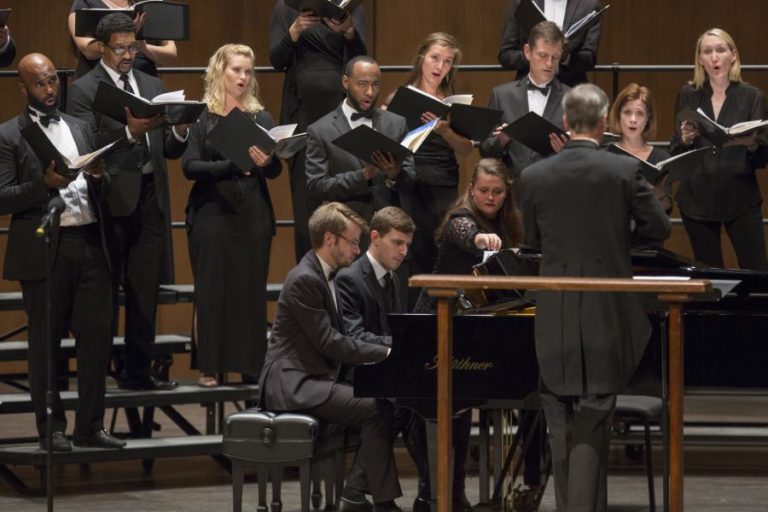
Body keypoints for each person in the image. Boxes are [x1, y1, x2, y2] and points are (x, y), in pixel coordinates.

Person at [520, 84, 670, 512]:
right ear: (605, 122)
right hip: (607, 311)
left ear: (566, 122)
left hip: (554, 313)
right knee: (593, 415)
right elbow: (659, 228)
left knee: (560, 419)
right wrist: (617, 238)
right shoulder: (623, 171)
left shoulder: (533, 176)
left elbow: (532, 240)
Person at [0, 53, 125, 450]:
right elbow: (3, 198)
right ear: (23, 87)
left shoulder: (80, 125)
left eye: (53, 80)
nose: (49, 89)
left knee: (97, 340)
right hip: (46, 249)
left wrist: (101, 177)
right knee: (46, 345)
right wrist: (45, 184)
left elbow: (103, 187)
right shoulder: (9, 135)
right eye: (39, 83)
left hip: (90, 242)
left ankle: (91, 426)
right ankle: (51, 429)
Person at [66, 13, 189, 390]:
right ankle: (98, 376)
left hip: (151, 197)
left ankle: (138, 372)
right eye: (119, 48)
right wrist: (130, 134)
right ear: (102, 48)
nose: (127, 55)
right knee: (104, 294)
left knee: (144, 290)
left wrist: (180, 131)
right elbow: (84, 145)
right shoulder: (84, 88)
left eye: (132, 47)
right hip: (109, 199)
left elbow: (168, 148)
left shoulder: (152, 83)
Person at [259, 202, 403, 512]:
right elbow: (329, 342)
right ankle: (376, 501)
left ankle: (360, 495)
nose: (357, 249)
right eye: (352, 242)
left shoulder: (325, 275)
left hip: (314, 377)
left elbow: (340, 339)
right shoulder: (305, 279)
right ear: (329, 239)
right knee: (376, 408)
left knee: (388, 400)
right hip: (294, 383)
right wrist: (387, 352)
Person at [415, 158, 523, 512]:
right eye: (484, 191)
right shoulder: (460, 219)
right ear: (471, 190)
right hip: (435, 323)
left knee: (460, 413)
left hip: (468, 325)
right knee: (439, 412)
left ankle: (455, 494)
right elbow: (465, 233)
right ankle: (433, 494)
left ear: (507, 192)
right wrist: (480, 238)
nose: (490, 197)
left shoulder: (508, 222)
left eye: (498, 192)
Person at [181, 44, 282, 387]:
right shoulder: (203, 116)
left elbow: (274, 171)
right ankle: (209, 366)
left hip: (253, 213)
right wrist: (231, 165)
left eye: (248, 71)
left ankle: (249, 364)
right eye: (236, 70)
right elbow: (189, 166)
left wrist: (268, 162)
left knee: (250, 292)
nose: (242, 77)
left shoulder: (260, 118)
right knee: (211, 291)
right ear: (220, 71)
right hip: (211, 214)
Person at [335, 207, 430, 512]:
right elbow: (354, 337)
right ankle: (380, 500)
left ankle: (429, 492)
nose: (404, 252)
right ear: (375, 237)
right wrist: (402, 345)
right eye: (397, 243)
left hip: (383, 371)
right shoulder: (349, 278)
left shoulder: (394, 278)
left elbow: (393, 329)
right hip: (355, 375)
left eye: (407, 245)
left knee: (421, 405)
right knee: (393, 407)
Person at [269, 0, 367, 262]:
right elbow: (276, 60)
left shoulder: (351, 8)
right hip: (302, 115)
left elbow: (361, 58)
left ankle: (348, 274)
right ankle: (309, 274)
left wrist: (349, 31)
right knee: (306, 205)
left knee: (346, 201)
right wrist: (294, 31)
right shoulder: (286, 8)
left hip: (341, 117)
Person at [384, 33, 472, 305]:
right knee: (413, 251)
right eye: (435, 58)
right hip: (411, 182)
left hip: (445, 183)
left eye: (447, 61)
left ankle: (440, 318)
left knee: (442, 250)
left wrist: (445, 130)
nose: (440, 66)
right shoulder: (399, 97)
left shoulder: (453, 102)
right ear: (422, 57)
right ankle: (413, 316)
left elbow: (466, 148)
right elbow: (388, 139)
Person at [670, 28, 768, 270]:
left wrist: (752, 145)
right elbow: (676, 150)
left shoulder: (753, 97)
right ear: (700, 59)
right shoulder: (688, 95)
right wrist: (686, 140)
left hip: (741, 196)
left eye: (720, 50)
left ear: (733, 55)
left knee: (756, 271)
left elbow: (762, 159)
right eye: (707, 51)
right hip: (697, 198)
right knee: (710, 276)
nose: (714, 57)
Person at [305, 55, 416, 233]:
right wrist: (363, 176)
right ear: (346, 82)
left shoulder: (396, 123)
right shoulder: (320, 130)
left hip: (390, 230)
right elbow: (316, 186)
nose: (370, 92)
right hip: (345, 230)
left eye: (375, 84)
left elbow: (410, 178)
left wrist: (394, 175)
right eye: (362, 84)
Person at [481, 20, 570, 202]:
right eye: (542, 55)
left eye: (555, 57)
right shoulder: (502, 95)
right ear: (528, 52)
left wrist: (566, 151)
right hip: (513, 194)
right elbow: (485, 150)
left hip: (556, 193)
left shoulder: (573, 98)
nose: (549, 63)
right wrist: (501, 140)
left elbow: (584, 155)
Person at [497, 0, 603, 87]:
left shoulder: (590, 6)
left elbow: (589, 58)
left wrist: (566, 58)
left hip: (571, 92)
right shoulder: (521, 2)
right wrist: (536, 56)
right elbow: (506, 55)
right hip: (527, 89)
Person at [68, 0, 178, 78]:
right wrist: (126, 34)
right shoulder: (85, 3)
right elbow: (87, 50)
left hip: (143, 83)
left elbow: (171, 54)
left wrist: (143, 48)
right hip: (100, 82)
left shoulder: (150, 3)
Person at [607, 82, 672, 214]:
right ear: (618, 115)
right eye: (627, 112)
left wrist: (659, 194)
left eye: (640, 114)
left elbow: (666, 210)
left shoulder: (662, 158)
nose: (633, 119)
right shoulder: (604, 153)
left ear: (648, 118)